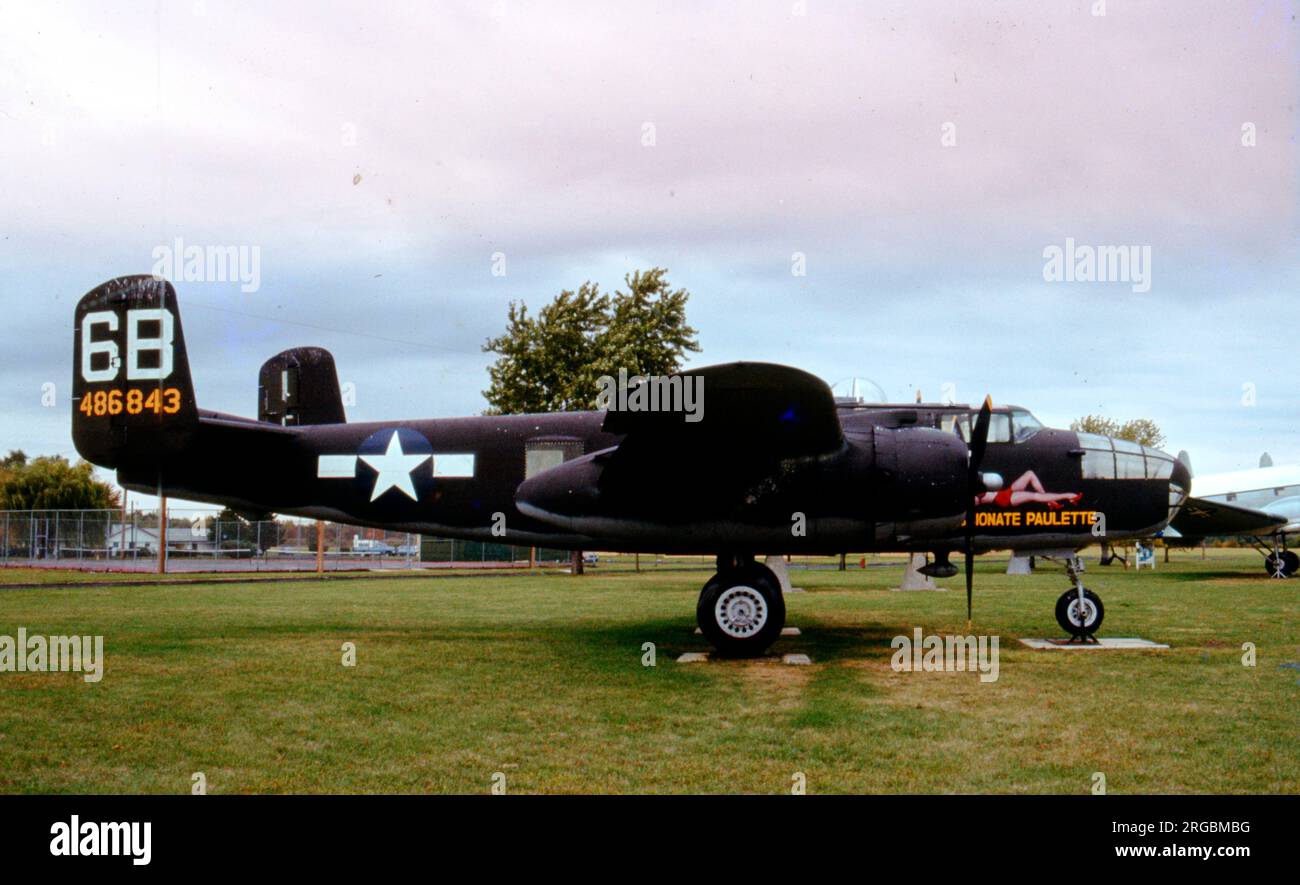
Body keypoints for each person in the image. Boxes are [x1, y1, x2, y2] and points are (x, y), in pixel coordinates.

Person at [974, 470, 1081, 509]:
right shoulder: (974, 497)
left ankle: (1050, 501)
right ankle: (1069, 496)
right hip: (1004, 500)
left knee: (1029, 474)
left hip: (1004, 493)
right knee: (1034, 496)